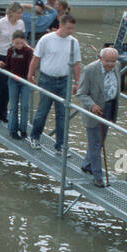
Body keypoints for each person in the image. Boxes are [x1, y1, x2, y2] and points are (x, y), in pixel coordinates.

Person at [28, 14, 82, 152]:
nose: (70, 31)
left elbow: (76, 64)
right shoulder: (46, 39)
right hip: (47, 80)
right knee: (42, 111)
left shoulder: (74, 42)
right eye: (68, 28)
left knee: (62, 114)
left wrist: (77, 83)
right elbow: (36, 58)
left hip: (64, 81)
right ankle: (34, 137)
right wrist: (30, 75)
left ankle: (61, 145)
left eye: (72, 29)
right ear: (60, 25)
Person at [77, 46, 120, 187]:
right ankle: (98, 176)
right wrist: (92, 105)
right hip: (94, 110)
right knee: (95, 143)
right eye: (107, 61)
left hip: (109, 107)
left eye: (113, 61)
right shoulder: (90, 70)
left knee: (100, 142)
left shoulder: (117, 66)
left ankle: (86, 164)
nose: (110, 65)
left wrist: (113, 112)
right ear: (100, 59)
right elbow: (81, 93)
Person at [0, 30, 35, 139]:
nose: (19, 46)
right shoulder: (10, 51)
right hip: (13, 80)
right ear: (12, 42)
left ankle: (23, 130)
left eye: (21, 43)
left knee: (25, 106)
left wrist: (32, 76)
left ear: (24, 41)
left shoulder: (28, 51)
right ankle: (13, 130)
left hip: (25, 81)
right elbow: (9, 66)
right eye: (16, 43)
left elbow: (31, 66)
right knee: (13, 106)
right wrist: (2, 65)